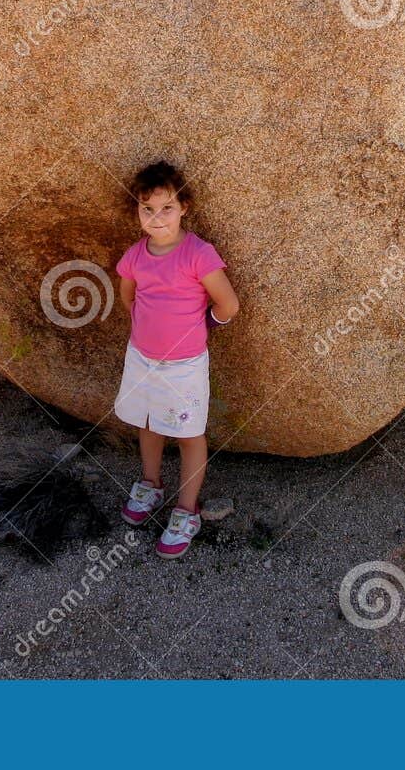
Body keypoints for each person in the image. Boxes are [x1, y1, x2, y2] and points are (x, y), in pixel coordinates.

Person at [112, 160, 239, 558]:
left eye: (166, 207)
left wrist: (204, 325)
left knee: (187, 434)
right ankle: (151, 484)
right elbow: (127, 296)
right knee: (148, 423)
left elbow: (229, 304)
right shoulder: (135, 255)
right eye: (146, 209)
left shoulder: (198, 254)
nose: (156, 217)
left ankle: (187, 510)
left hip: (184, 365)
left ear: (184, 207)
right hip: (142, 359)